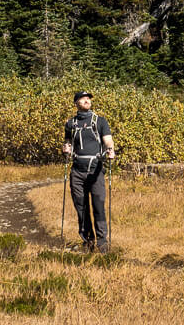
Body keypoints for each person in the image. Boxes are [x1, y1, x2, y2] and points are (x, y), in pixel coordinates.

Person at [63, 90, 114, 250]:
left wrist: (111, 150)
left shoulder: (100, 121)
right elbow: (68, 143)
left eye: (88, 99)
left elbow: (107, 140)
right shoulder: (71, 124)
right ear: (76, 103)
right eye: (83, 98)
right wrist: (65, 149)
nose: (87, 101)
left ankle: (102, 242)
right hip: (77, 170)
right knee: (81, 206)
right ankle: (88, 240)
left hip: (95, 170)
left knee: (98, 205)